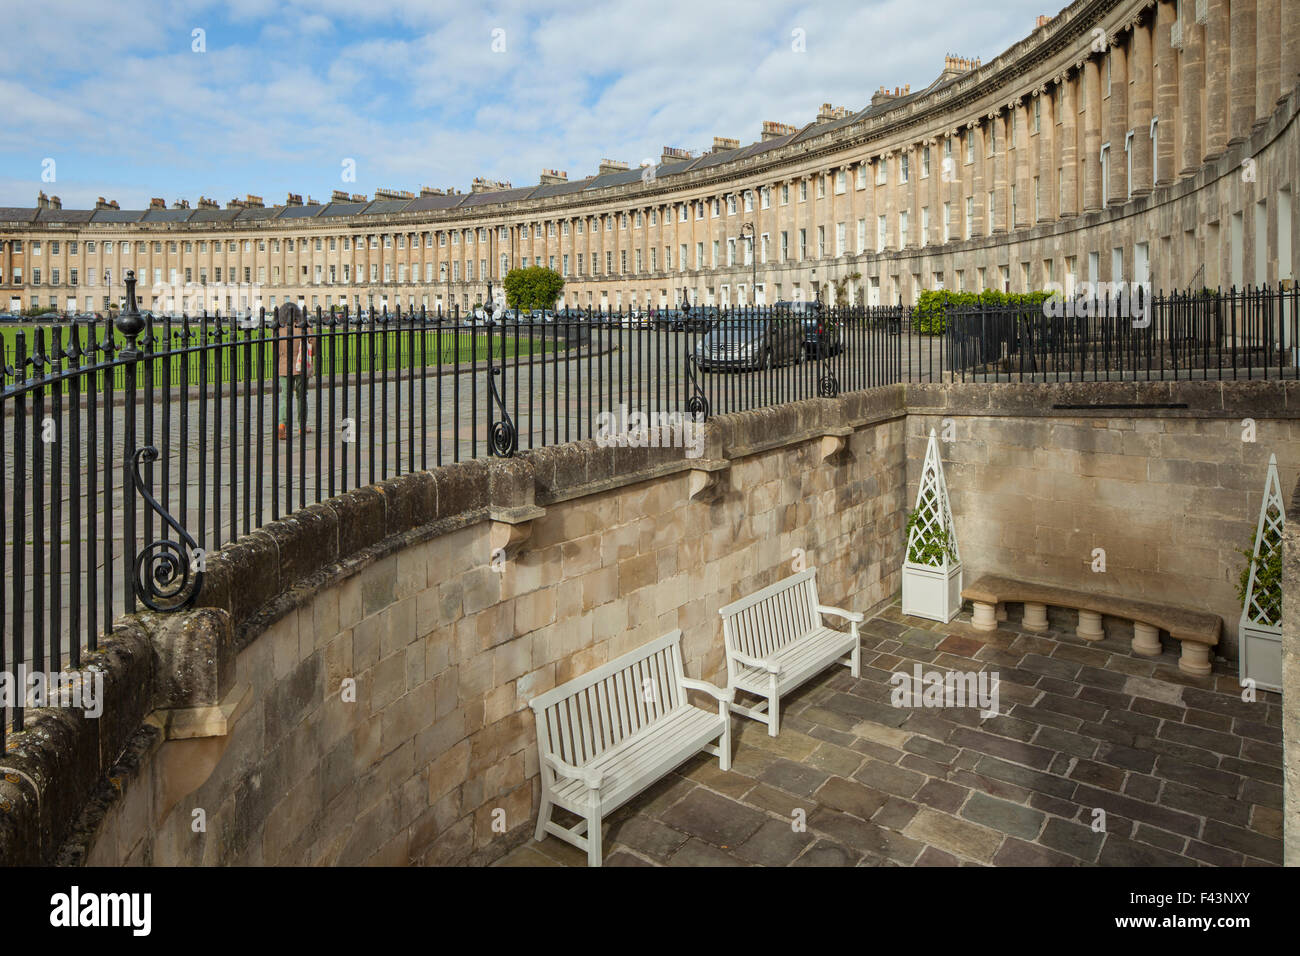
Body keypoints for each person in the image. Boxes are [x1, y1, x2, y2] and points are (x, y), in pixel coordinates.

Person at [276, 302, 313, 440]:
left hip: (284, 367)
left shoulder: (279, 329)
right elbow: (313, 347)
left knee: (285, 397)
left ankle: (282, 426)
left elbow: (276, 350)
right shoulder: (304, 327)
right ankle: (302, 426)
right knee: (301, 396)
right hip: (301, 367)